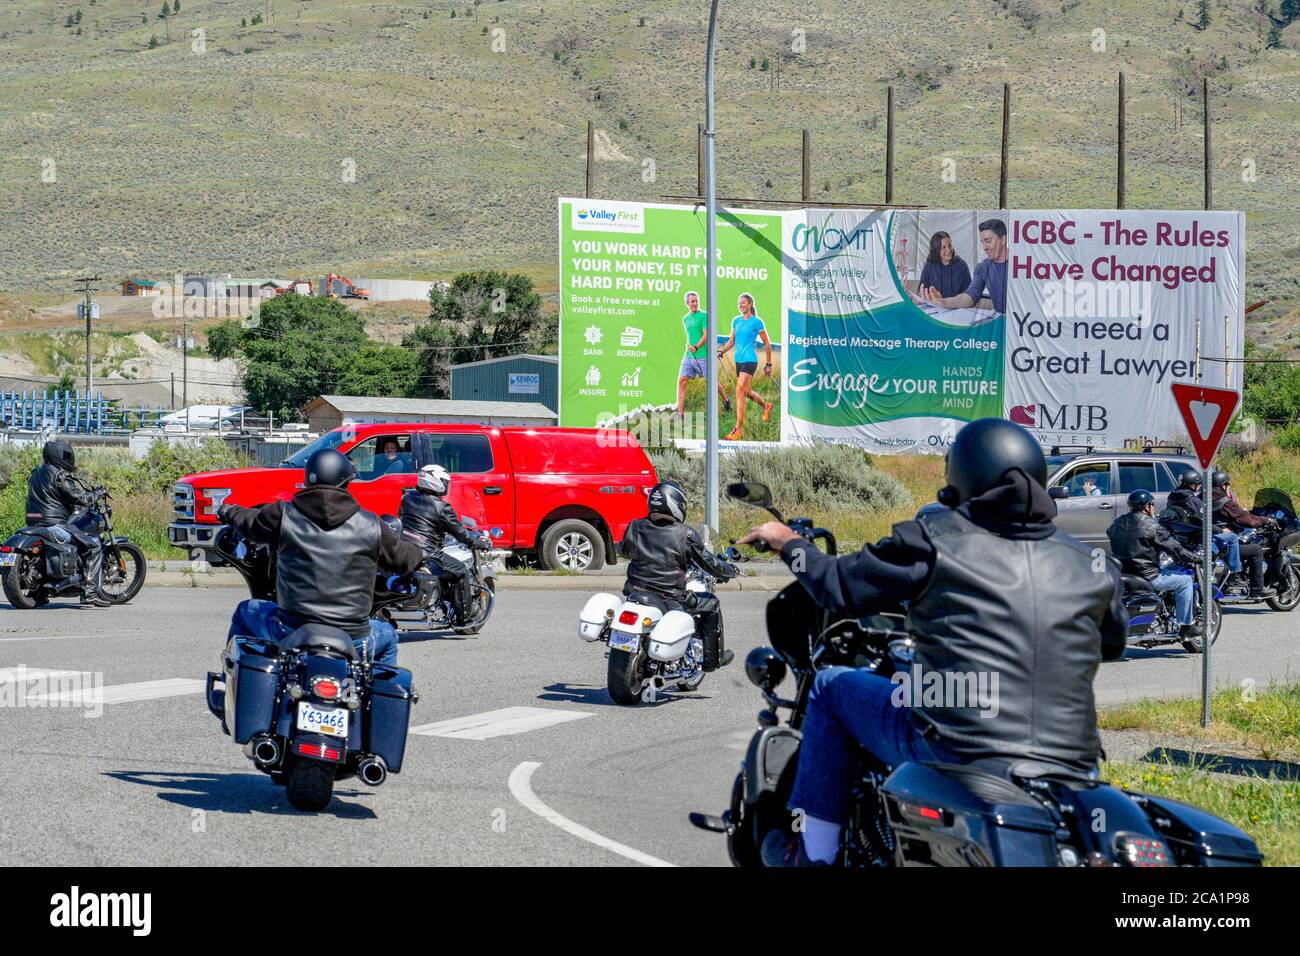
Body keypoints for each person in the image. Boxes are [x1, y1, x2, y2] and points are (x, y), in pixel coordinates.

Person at [740, 418, 1127, 866]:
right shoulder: (1091, 563)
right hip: (1073, 765)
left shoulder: (934, 541)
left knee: (830, 686)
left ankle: (812, 853)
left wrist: (789, 542)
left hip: (956, 747)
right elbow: (1111, 643)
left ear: (961, 477)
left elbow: (837, 588)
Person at [217, 448, 422, 664]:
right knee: (387, 637)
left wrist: (228, 511)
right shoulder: (371, 525)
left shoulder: (284, 515)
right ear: (346, 481)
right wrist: (418, 548)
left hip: (290, 628)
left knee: (246, 611)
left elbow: (249, 522)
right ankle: (375, 693)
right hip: (354, 636)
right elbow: (403, 559)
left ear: (307, 479)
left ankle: (238, 683)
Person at [620, 481, 735, 672]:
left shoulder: (635, 527)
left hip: (635, 593)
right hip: (670, 597)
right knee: (711, 604)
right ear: (677, 505)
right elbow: (710, 563)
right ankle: (712, 660)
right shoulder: (685, 534)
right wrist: (729, 570)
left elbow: (624, 550)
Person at [398, 464, 489, 621]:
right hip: (428, 554)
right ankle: (464, 617)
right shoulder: (441, 507)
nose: (447, 486)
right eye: (445, 482)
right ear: (435, 482)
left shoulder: (407, 498)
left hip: (405, 548)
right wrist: (477, 542)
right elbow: (460, 533)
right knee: (461, 570)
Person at [25, 440, 108, 607]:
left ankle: (40, 593)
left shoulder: (34, 474)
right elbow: (82, 498)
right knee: (93, 547)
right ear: (61, 455)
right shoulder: (60, 475)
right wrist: (98, 493)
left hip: (33, 524)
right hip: (54, 524)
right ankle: (90, 594)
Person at [1107, 489, 1200, 639]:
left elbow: (1110, 533)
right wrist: (1195, 558)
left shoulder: (1118, 523)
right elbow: (1175, 548)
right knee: (1185, 580)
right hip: (1148, 576)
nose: (1153, 507)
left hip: (1125, 574)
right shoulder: (1152, 526)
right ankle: (1186, 625)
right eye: (1152, 504)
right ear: (1147, 506)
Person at [1166, 468, 1244, 589]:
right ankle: (1235, 575)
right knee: (1232, 537)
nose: (1199, 486)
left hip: (1181, 536)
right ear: (1193, 484)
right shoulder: (1192, 500)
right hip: (1198, 537)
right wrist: (1221, 530)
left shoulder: (1172, 497)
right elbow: (1206, 520)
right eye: (1198, 484)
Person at [716, 293, 775, 441]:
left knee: (739, 391)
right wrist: (722, 351)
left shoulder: (757, 322)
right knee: (746, 391)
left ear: (750, 304)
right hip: (739, 361)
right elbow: (731, 342)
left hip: (750, 360)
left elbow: (767, 344)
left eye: (743, 303)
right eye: (739, 303)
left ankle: (738, 430)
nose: (740, 305)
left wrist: (768, 364)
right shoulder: (736, 321)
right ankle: (766, 406)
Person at [1211, 470, 1275, 598]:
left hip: (1210, 536)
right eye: (1228, 484)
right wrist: (1265, 520)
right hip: (1221, 539)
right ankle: (1257, 588)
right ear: (1223, 485)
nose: (1229, 487)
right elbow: (1244, 517)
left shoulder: (1205, 496)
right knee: (1256, 550)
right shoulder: (1223, 502)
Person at [924, 218, 1009, 314]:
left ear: (1003, 240)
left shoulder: (1023, 263)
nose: (984, 247)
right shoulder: (982, 268)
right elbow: (969, 298)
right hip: (1001, 321)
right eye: (982, 242)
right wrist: (942, 302)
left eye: (988, 241)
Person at [676, 290, 734, 418]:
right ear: (687, 303)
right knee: (682, 381)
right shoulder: (685, 319)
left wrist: (697, 347)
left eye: (696, 301)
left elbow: (706, 335)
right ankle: (679, 413)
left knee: (711, 382)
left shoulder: (704, 316)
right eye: (692, 301)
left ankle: (726, 400)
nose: (695, 303)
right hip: (689, 354)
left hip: (703, 355)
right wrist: (691, 347)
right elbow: (692, 335)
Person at [916, 231, 972, 301]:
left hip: (957, 309)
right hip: (935, 308)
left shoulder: (961, 265)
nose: (948, 250)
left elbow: (969, 294)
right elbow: (921, 291)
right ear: (936, 250)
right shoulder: (929, 266)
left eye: (950, 245)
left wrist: (945, 301)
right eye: (944, 247)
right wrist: (929, 296)